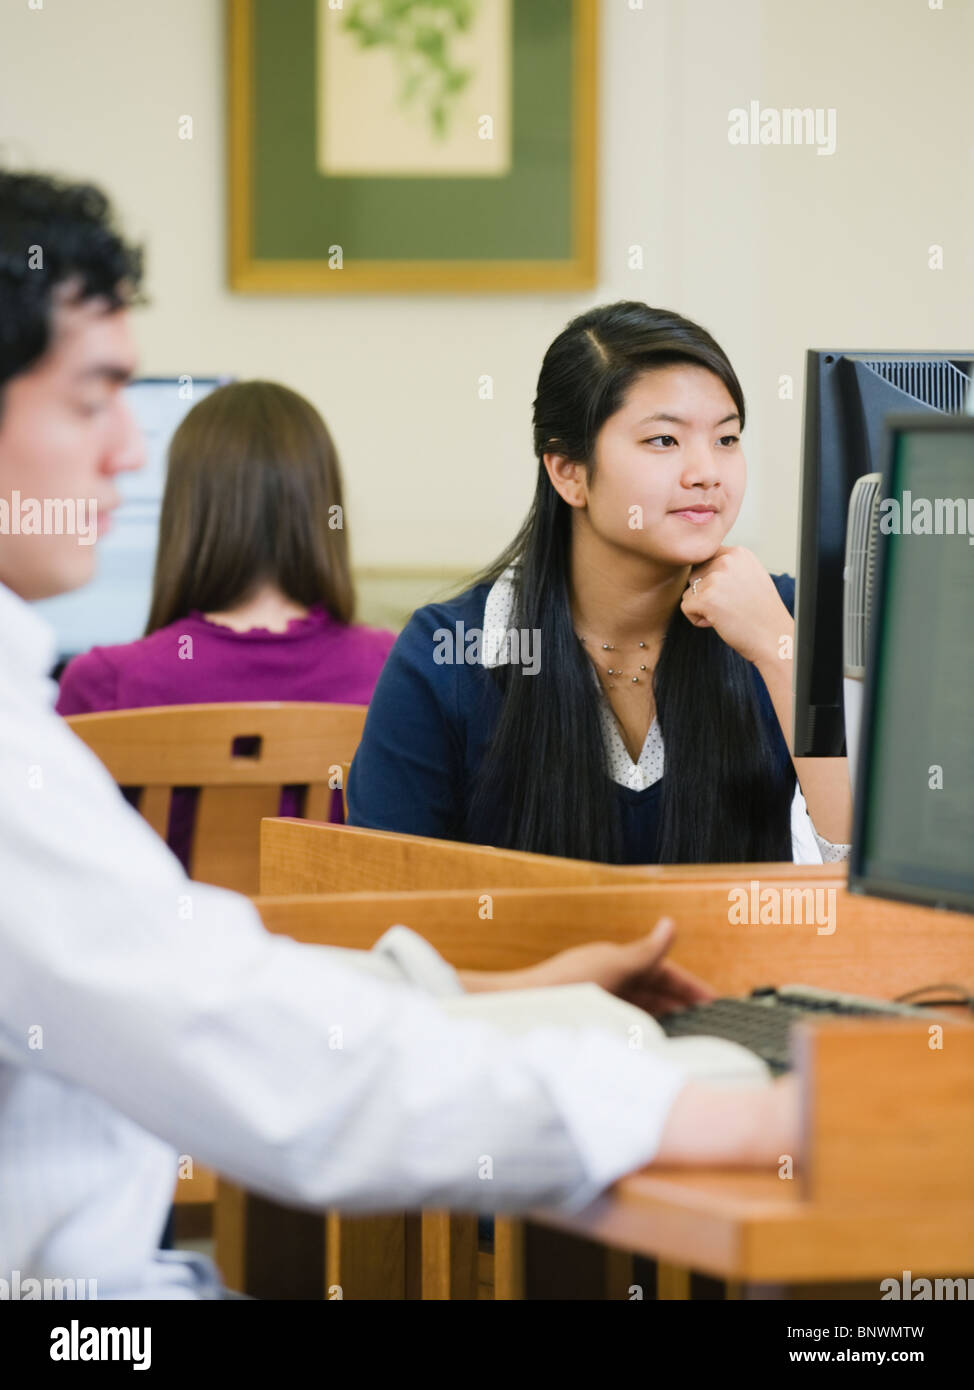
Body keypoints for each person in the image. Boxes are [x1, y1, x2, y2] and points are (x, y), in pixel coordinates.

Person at [0, 170, 797, 1300]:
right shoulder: (428, 655)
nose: (128, 449)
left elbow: (222, 995)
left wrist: (488, 994)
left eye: (723, 437)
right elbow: (256, 1044)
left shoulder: (76, 692)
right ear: (566, 470)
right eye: (90, 401)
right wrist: (707, 1106)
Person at [347, 301, 852, 866]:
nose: (707, 471)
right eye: (664, 440)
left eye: (726, 439)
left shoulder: (783, 617)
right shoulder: (449, 655)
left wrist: (781, 657)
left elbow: (869, 881)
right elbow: (382, 906)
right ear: (569, 471)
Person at [56, 379, 395, 865]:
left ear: (183, 514)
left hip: (164, 942)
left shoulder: (102, 685)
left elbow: (66, 874)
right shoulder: (391, 672)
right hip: (333, 945)